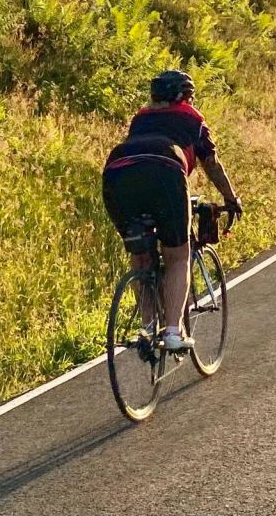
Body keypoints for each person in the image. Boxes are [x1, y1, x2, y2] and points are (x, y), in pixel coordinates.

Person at [102, 70, 242, 351]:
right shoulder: (192, 118)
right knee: (177, 256)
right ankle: (173, 332)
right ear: (183, 97)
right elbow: (211, 164)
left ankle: (147, 326)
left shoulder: (141, 118)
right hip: (165, 172)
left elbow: (140, 156)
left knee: (141, 256)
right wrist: (231, 198)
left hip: (116, 175)